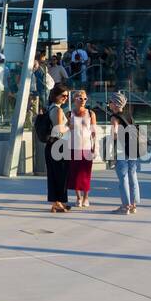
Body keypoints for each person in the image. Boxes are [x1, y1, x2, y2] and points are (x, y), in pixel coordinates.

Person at [108, 91, 141, 214]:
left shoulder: (114, 117)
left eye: (110, 102)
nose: (109, 104)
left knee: (123, 179)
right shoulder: (129, 115)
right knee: (133, 176)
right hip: (133, 148)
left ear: (116, 104)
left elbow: (115, 134)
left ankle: (125, 206)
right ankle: (133, 205)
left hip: (122, 150)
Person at [43, 83, 71, 214]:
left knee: (55, 175)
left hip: (51, 145)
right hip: (58, 145)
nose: (66, 98)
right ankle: (57, 202)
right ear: (56, 96)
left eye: (67, 96)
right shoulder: (58, 110)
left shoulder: (50, 108)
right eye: (63, 95)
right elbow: (59, 131)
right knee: (60, 175)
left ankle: (58, 202)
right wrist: (69, 127)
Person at [67, 90, 97, 208]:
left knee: (85, 174)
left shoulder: (90, 113)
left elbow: (94, 132)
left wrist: (94, 146)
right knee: (74, 174)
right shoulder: (69, 114)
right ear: (74, 100)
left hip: (86, 147)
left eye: (85, 99)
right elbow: (64, 130)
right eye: (80, 98)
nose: (83, 101)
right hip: (73, 147)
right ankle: (78, 198)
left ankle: (86, 198)